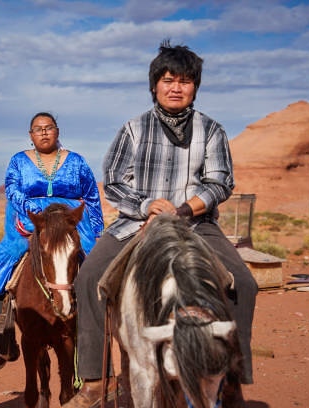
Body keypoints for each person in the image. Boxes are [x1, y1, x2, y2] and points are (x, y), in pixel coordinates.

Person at [64, 42, 258, 407]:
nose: (176, 88)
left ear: (195, 87)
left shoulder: (211, 130)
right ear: (154, 85)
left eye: (185, 81)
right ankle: (92, 381)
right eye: (168, 80)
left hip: (195, 224)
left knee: (244, 284)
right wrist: (147, 205)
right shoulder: (134, 129)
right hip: (136, 222)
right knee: (88, 278)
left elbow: (220, 183)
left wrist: (183, 211)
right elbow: (114, 180)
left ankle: (233, 376)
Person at [0, 112, 104, 372]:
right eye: (38, 129)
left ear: (57, 131)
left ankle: (98, 329)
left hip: (71, 220)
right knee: (0, 266)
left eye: (49, 128)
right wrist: (31, 209)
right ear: (31, 135)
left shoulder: (77, 161)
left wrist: (98, 231)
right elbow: (12, 188)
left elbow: (92, 195)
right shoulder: (18, 161)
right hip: (31, 218)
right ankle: (3, 334)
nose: (44, 132)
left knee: (96, 267)